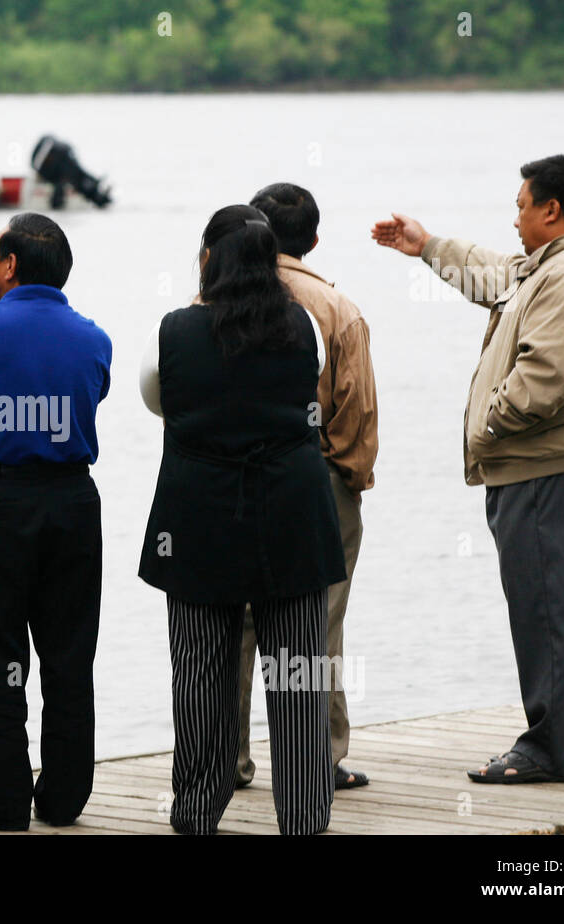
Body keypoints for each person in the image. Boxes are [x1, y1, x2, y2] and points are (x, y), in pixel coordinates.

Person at [372, 154, 564, 785]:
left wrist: (486, 427)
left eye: (520, 205)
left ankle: (547, 747)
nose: (514, 217)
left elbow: (547, 377)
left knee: (546, 609)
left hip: (545, 468)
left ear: (551, 210)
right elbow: (502, 276)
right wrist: (428, 245)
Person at [138, 205, 345, 836]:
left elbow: (156, 398)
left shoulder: (172, 329)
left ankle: (198, 807)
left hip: (199, 513)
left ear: (209, 258)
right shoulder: (303, 322)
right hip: (293, 511)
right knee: (299, 672)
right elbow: (310, 387)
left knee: (202, 670)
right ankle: (305, 816)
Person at [0, 213, 112, 830]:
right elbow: (93, 394)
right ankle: (65, 796)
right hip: (72, 503)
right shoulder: (93, 337)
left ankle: (7, 796)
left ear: (10, 265)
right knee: (70, 654)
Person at [234, 183, 379, 793]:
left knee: (234, 623)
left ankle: (227, 758)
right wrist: (349, 478)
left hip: (234, 476)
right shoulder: (337, 308)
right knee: (317, 623)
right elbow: (358, 411)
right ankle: (316, 757)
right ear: (313, 240)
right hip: (317, 481)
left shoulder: (214, 300)